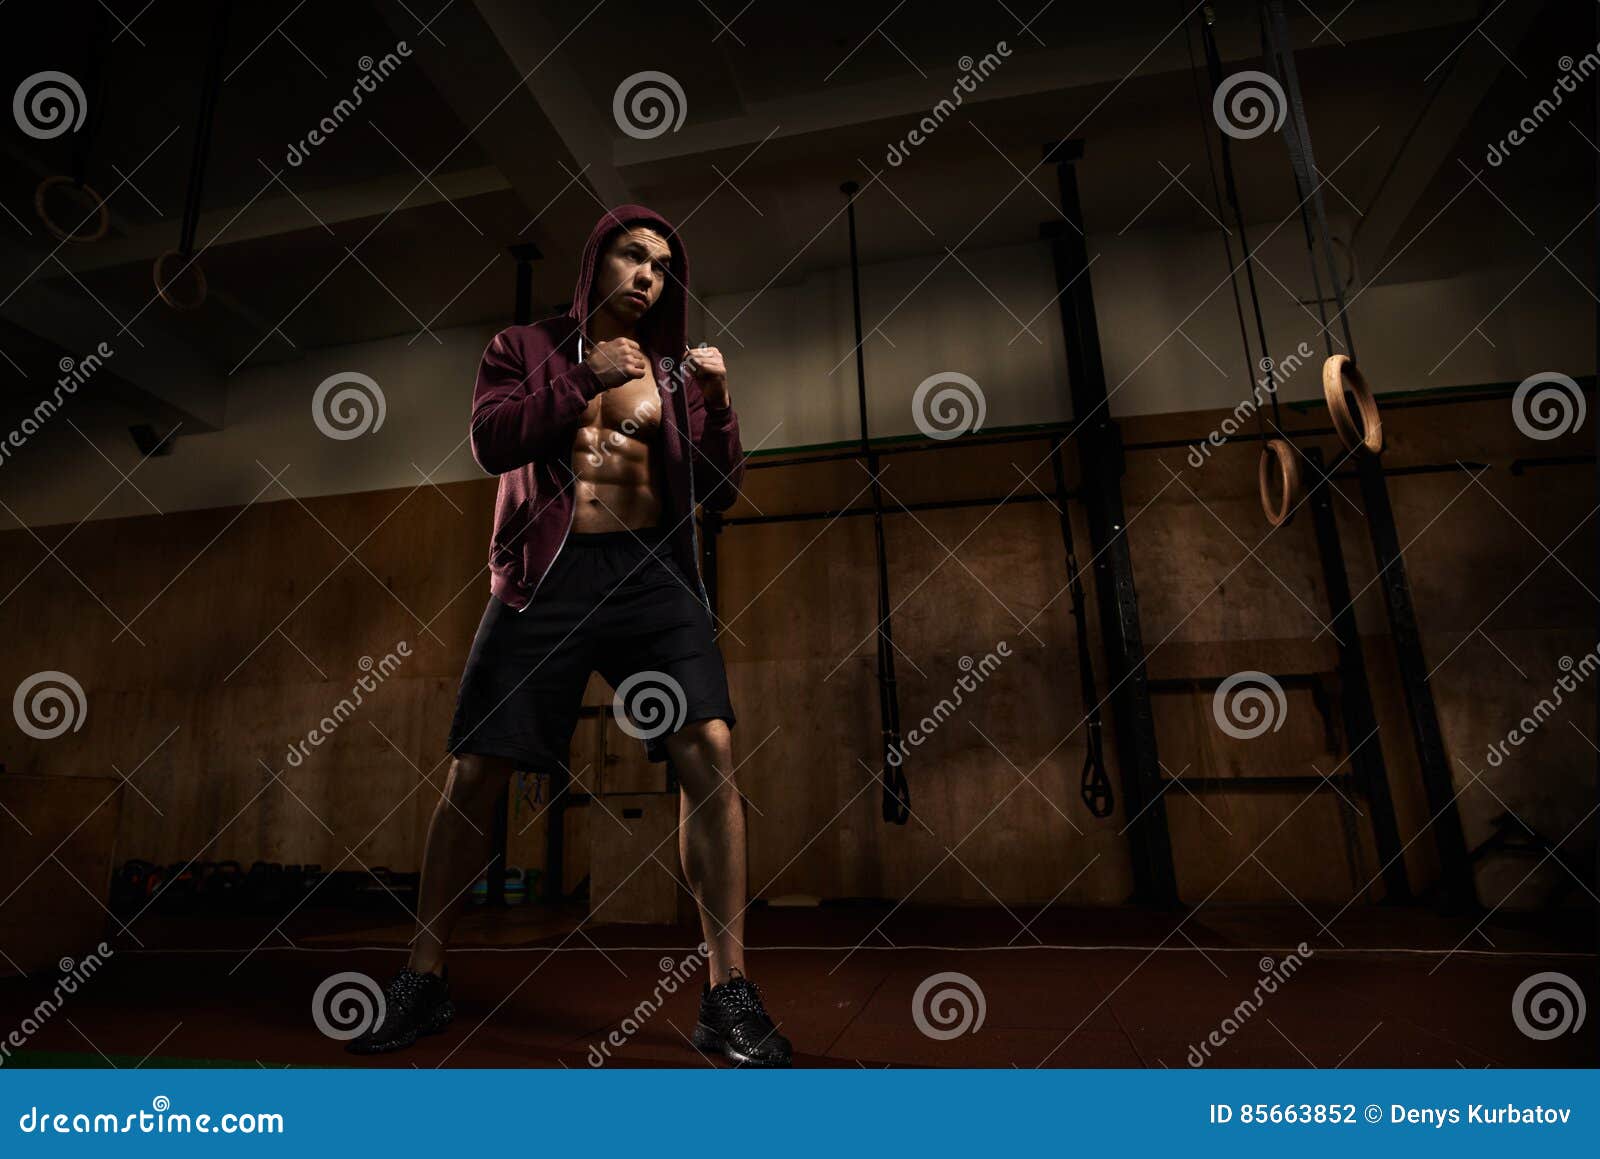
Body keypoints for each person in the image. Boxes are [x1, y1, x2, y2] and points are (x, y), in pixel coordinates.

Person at [346, 205, 791, 1067]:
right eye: (634, 255)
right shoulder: (524, 348)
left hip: (653, 581)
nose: (648, 275)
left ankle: (727, 993)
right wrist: (582, 377)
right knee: (476, 770)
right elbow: (489, 441)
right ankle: (424, 975)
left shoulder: (670, 376)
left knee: (710, 746)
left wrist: (720, 404)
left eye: (662, 265)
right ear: (597, 261)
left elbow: (717, 489)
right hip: (546, 578)